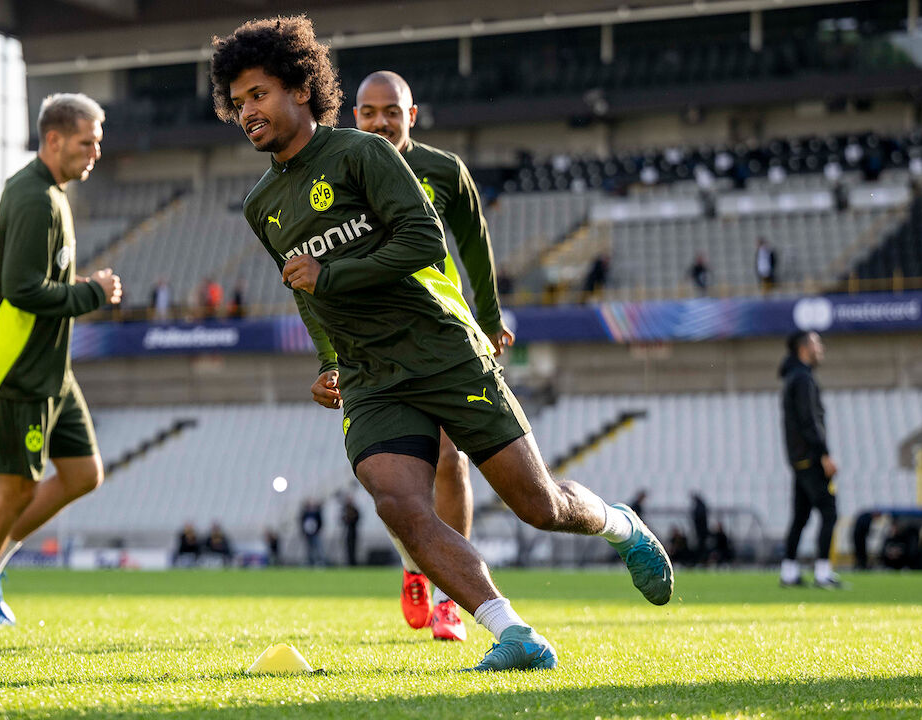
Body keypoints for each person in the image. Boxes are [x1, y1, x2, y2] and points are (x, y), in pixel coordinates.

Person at [212, 15, 672, 673]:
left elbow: (425, 241)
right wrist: (329, 360)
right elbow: (302, 286)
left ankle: (619, 524)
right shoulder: (261, 203)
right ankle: (513, 633)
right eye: (237, 102)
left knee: (539, 505)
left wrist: (333, 273)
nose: (247, 111)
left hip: (440, 349)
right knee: (398, 502)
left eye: (258, 94)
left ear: (301, 88)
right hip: (370, 375)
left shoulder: (363, 154)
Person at [0, 93, 123, 624]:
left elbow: (7, 257)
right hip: (17, 370)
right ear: (53, 139)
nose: (95, 153)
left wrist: (75, 284)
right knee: (16, 490)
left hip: (52, 370)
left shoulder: (47, 193)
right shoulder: (33, 197)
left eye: (97, 143)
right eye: (86, 143)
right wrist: (92, 292)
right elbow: (21, 289)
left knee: (83, 473)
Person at [352, 69, 515, 643]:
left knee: (451, 458)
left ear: (412, 115)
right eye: (369, 112)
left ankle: (449, 599)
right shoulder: (338, 171)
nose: (380, 121)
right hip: (371, 340)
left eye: (391, 111)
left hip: (440, 332)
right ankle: (414, 563)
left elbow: (474, 243)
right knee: (396, 478)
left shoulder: (444, 171)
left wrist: (489, 318)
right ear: (354, 116)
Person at [779, 331, 843, 588]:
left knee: (800, 516)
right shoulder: (803, 379)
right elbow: (809, 421)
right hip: (810, 458)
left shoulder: (792, 378)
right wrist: (824, 454)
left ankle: (788, 572)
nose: (821, 348)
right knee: (829, 511)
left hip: (798, 459)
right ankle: (822, 572)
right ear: (804, 349)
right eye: (817, 344)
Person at [299, 499, 325, 566]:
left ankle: (320, 561)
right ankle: (310, 561)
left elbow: (320, 522)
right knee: (309, 549)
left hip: (315, 533)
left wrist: (318, 530)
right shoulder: (305, 514)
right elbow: (302, 523)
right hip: (308, 534)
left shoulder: (316, 513)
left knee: (318, 548)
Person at [340, 491, 361, 566]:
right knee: (347, 547)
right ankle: (349, 562)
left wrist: (350, 519)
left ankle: (353, 562)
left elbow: (357, 518)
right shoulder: (345, 508)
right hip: (347, 531)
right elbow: (342, 519)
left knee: (353, 547)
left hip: (353, 530)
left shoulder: (354, 509)